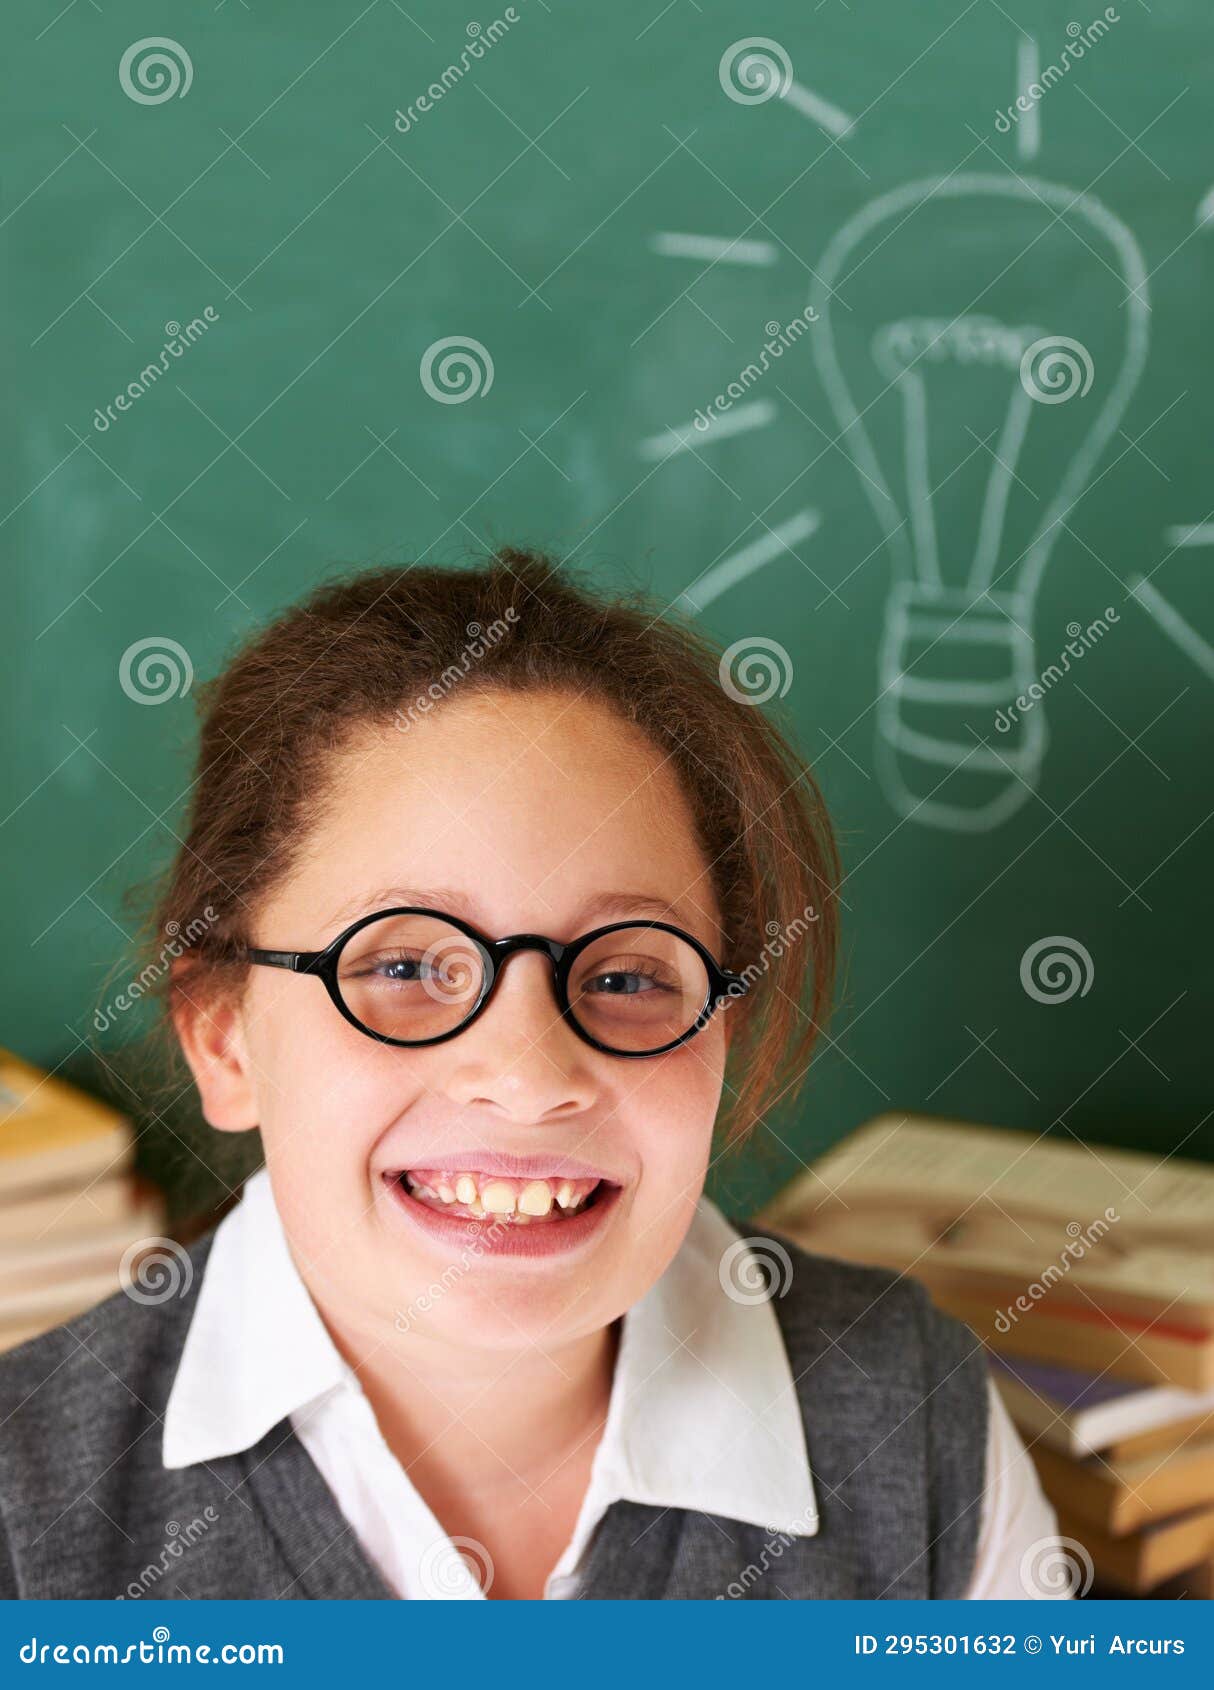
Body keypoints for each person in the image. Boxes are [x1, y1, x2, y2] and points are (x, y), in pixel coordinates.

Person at [0, 547, 1066, 1600]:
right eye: (406, 964)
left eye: (625, 975)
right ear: (223, 1037)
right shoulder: (28, 1506)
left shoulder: (914, 1426)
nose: (525, 1076)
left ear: (721, 1031)